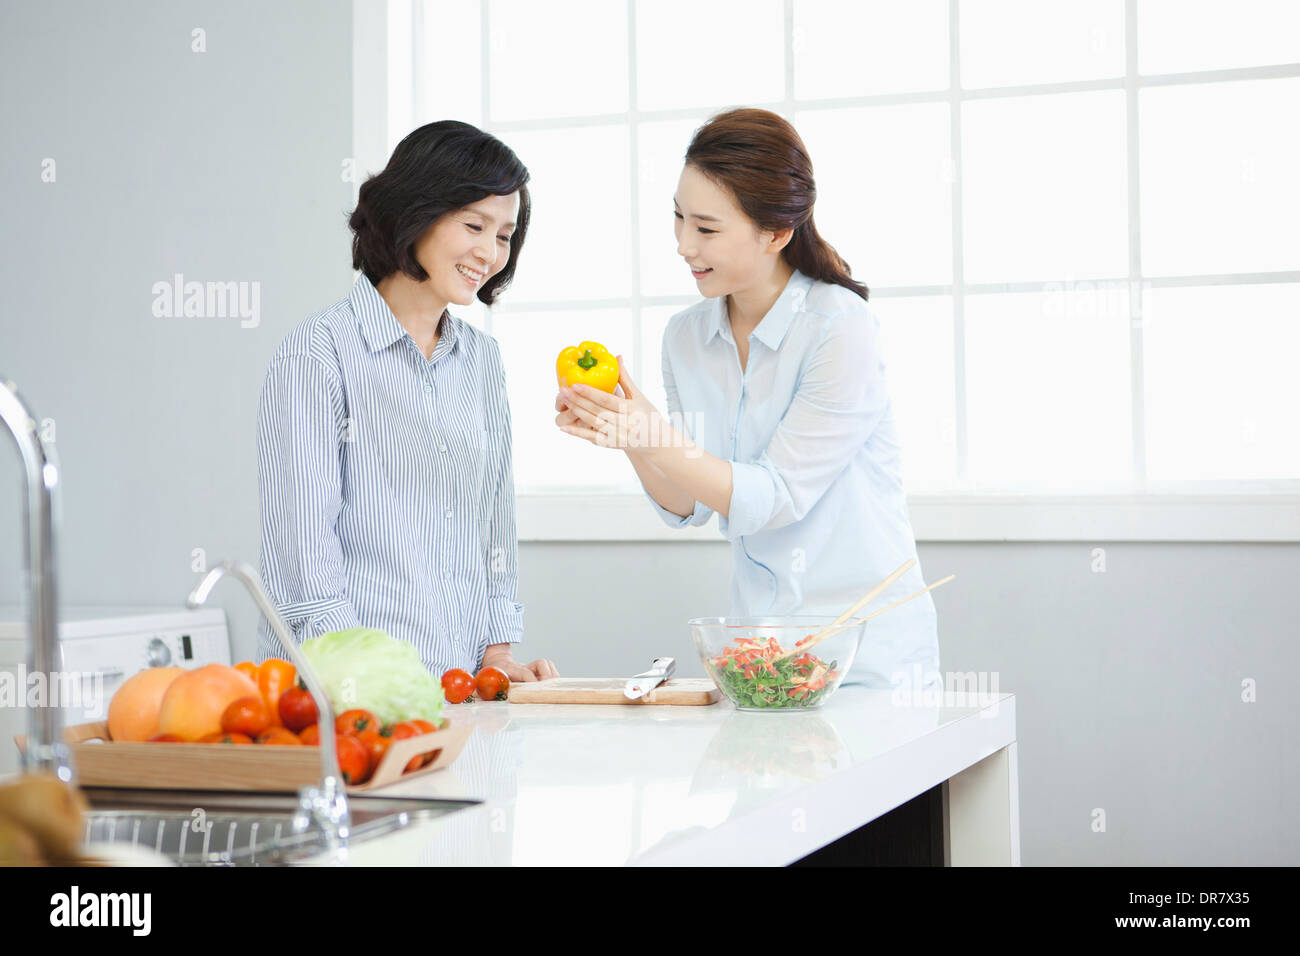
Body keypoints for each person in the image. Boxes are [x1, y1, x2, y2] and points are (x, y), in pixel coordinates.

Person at [555, 108, 940, 691]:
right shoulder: (685, 336)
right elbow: (688, 502)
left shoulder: (840, 329)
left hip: (864, 656)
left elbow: (775, 496)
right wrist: (627, 434)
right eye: (679, 219)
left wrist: (652, 432)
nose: (685, 245)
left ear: (776, 233)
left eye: (706, 229)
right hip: (759, 652)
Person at [256, 120, 558, 684]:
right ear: (415, 212)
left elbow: (492, 521)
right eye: (474, 225)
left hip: (460, 688)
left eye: (504, 235)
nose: (490, 252)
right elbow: (302, 553)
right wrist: (365, 679)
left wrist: (496, 655)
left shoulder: (482, 362)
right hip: (344, 693)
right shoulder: (317, 354)